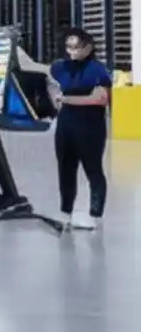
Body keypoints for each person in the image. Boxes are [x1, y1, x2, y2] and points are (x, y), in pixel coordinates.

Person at [49, 28, 112, 230]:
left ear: (88, 47)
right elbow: (38, 69)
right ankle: (65, 212)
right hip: (66, 126)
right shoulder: (61, 67)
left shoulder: (97, 70)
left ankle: (96, 215)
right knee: (65, 170)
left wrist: (66, 99)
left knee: (93, 170)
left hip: (90, 128)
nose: (72, 51)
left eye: (76, 46)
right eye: (69, 46)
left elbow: (100, 98)